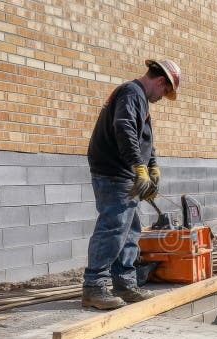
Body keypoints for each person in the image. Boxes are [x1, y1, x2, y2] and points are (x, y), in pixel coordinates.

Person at [82, 59, 181, 310]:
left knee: (130, 228)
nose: (162, 97)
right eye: (164, 91)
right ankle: (94, 286)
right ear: (160, 82)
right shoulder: (131, 93)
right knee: (113, 227)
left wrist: (153, 166)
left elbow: (145, 138)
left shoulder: (140, 100)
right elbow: (124, 128)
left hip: (126, 173)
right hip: (115, 172)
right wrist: (139, 167)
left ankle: (124, 283)